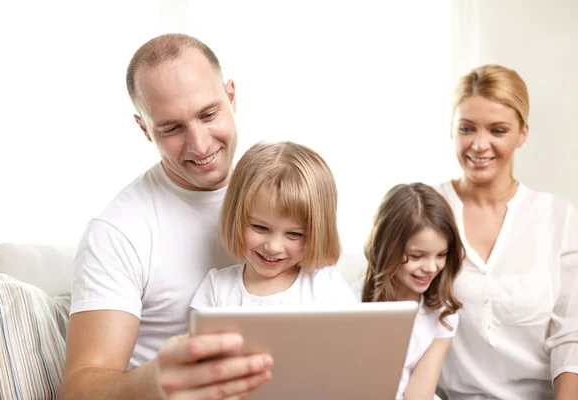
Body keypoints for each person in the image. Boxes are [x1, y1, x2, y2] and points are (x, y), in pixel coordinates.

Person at [61, 33, 273, 400]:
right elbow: (79, 388)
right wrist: (153, 382)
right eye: (171, 128)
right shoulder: (118, 231)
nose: (200, 145)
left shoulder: (281, 194)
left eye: (208, 114)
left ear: (232, 97)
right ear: (144, 128)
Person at [435, 64, 578, 399]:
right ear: (452, 130)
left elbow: (570, 335)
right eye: (467, 128)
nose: (479, 145)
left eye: (498, 131)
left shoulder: (558, 217)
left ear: (522, 134)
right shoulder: (426, 211)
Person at [190, 141, 355, 309]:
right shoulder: (217, 288)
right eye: (260, 228)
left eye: (295, 234)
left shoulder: (326, 285)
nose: (274, 247)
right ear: (235, 219)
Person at [353, 182, 463, 400]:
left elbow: (419, 395)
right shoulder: (351, 304)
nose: (431, 267)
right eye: (417, 256)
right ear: (386, 248)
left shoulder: (443, 315)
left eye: (441, 255)